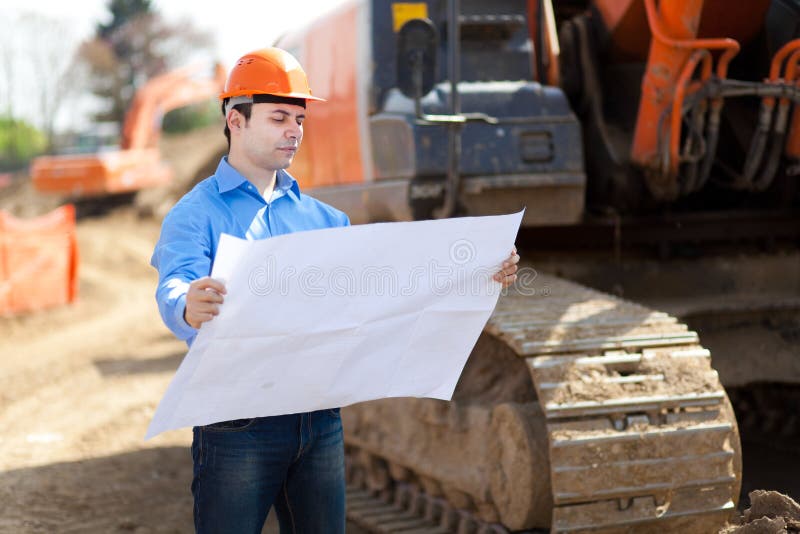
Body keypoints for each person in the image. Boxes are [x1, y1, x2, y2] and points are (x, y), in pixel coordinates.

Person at [150, 47, 519, 534]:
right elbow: (175, 283)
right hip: (239, 428)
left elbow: (386, 290)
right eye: (279, 116)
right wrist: (187, 305)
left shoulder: (326, 219)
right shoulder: (195, 214)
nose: (294, 131)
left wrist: (474, 274)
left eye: (299, 119)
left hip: (318, 423)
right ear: (234, 119)